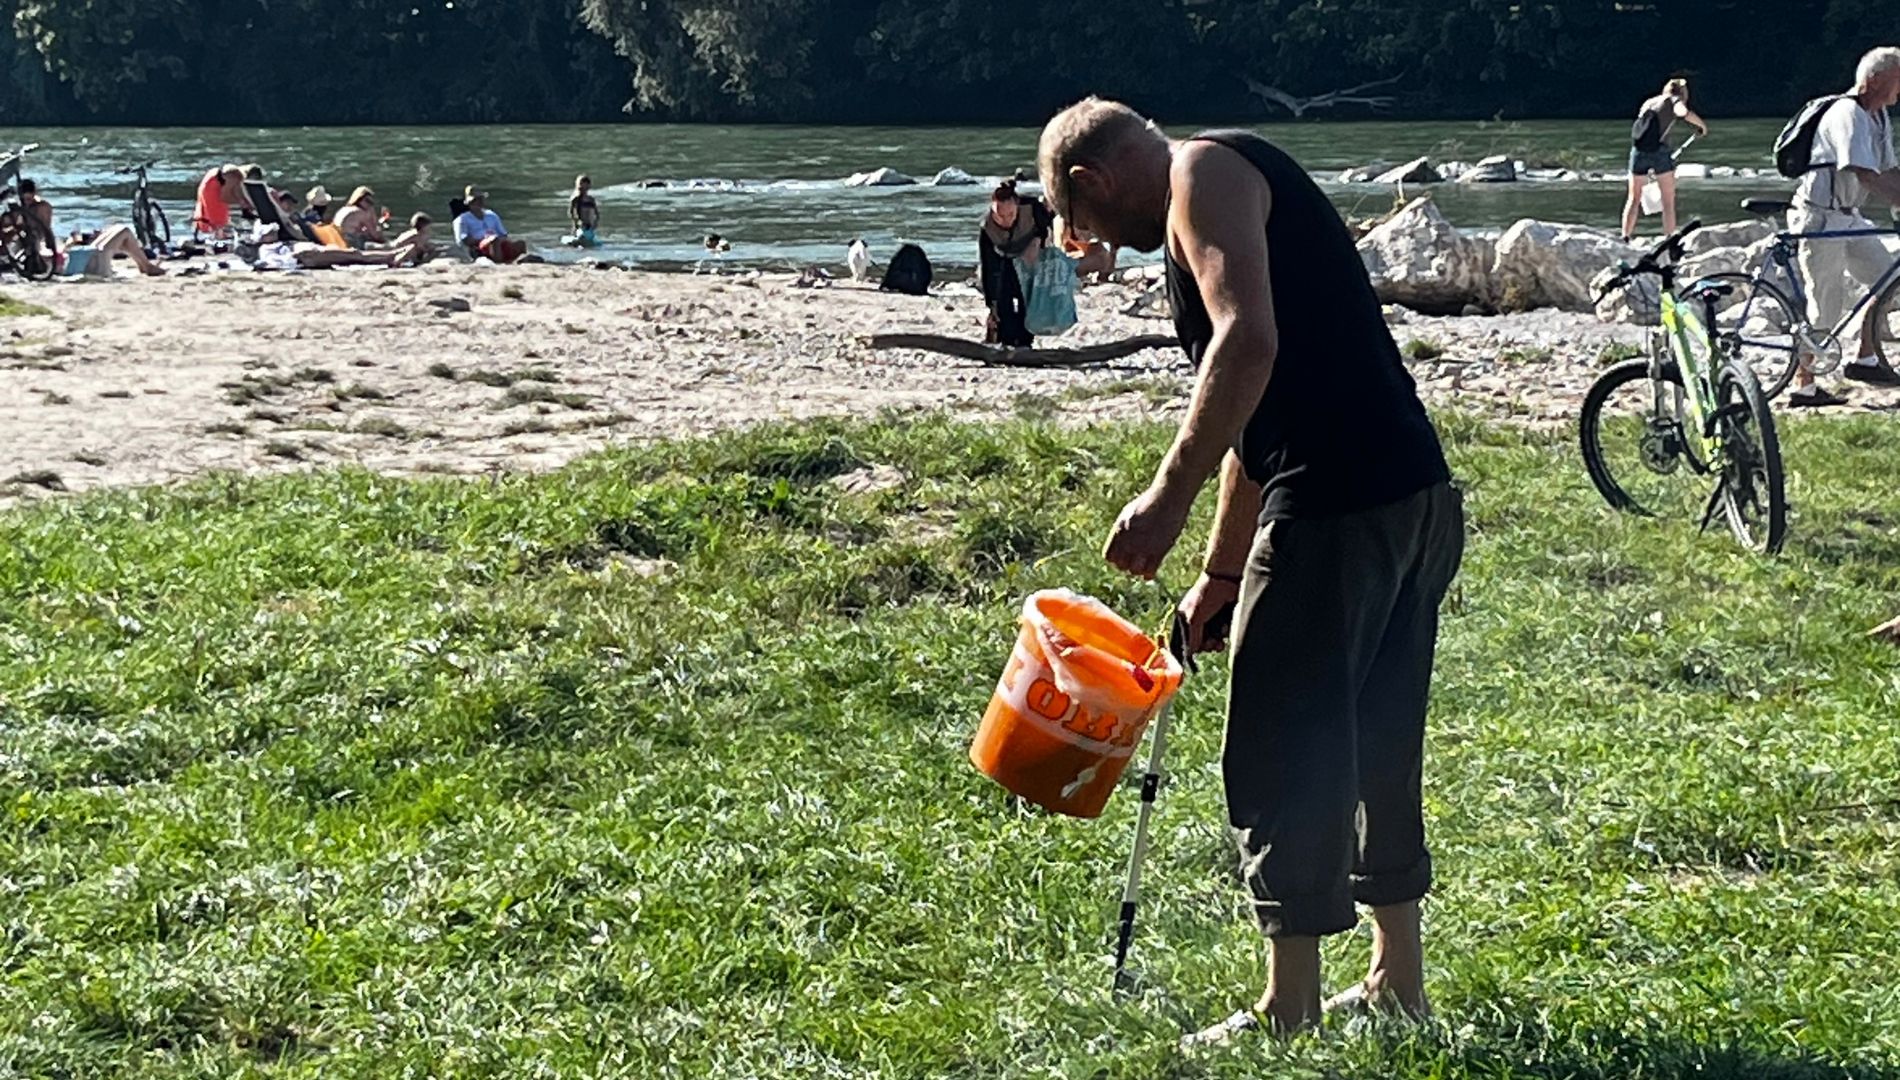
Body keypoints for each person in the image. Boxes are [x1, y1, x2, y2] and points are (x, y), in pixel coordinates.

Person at [1039, 98, 1464, 1041]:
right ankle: (1399, 979)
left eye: (1087, 222)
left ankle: (1291, 1005)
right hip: (1413, 495)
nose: (1106, 241)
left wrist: (1164, 497)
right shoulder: (1226, 177)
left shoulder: (1202, 178)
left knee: (1284, 744)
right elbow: (1252, 424)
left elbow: (1247, 344)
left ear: (1090, 183)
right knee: (1377, 740)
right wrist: (1221, 576)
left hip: (1337, 509)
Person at [1787, 46, 1900, 407]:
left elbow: (1889, 171)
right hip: (1819, 218)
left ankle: (1864, 360)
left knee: (1887, 278)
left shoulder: (1879, 116)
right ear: (1875, 80)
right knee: (1825, 305)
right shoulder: (1846, 113)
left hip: (1849, 217)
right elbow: (1863, 173)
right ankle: (1804, 386)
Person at [1621, 78, 1709, 242]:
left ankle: (1625, 236)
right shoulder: (1673, 100)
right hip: (1659, 152)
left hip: (1638, 150)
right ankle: (1669, 238)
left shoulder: (1649, 102)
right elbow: (1684, 113)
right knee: (1668, 201)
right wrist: (1702, 126)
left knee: (1633, 198)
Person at [978, 180, 1051, 347]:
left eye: (1010, 215)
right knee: (1003, 299)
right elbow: (987, 268)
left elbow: (1047, 225)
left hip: (1031, 257)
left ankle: (1026, 341)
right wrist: (991, 304)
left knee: (1028, 300)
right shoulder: (987, 228)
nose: (1005, 221)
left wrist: (1037, 241)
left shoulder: (1032, 209)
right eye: (1000, 216)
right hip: (1005, 260)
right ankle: (1008, 340)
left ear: (1017, 205)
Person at [453, 186, 527, 263]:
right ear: (469, 203)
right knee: (493, 241)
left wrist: (500, 240)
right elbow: (463, 241)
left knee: (521, 243)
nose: (479, 202)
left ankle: (520, 261)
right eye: (476, 200)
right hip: (479, 247)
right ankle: (498, 263)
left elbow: (503, 234)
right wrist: (484, 239)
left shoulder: (491, 215)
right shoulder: (462, 219)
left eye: (481, 199)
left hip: (498, 242)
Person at [59, 225, 165, 277]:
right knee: (124, 231)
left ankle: (145, 266)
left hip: (83, 257)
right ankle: (146, 266)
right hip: (89, 264)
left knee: (119, 229)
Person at [192, 164, 250, 238]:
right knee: (217, 224)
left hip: (213, 178)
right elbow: (226, 197)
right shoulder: (224, 180)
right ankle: (218, 235)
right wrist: (247, 202)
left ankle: (214, 233)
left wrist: (243, 202)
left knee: (208, 219)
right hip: (215, 183)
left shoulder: (216, 175)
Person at [569, 174, 600, 247]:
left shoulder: (591, 200)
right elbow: (571, 213)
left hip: (590, 226)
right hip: (580, 226)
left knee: (589, 238)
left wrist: (595, 223)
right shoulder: (575, 199)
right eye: (582, 184)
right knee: (581, 238)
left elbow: (597, 214)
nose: (584, 187)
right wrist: (575, 224)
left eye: (586, 185)